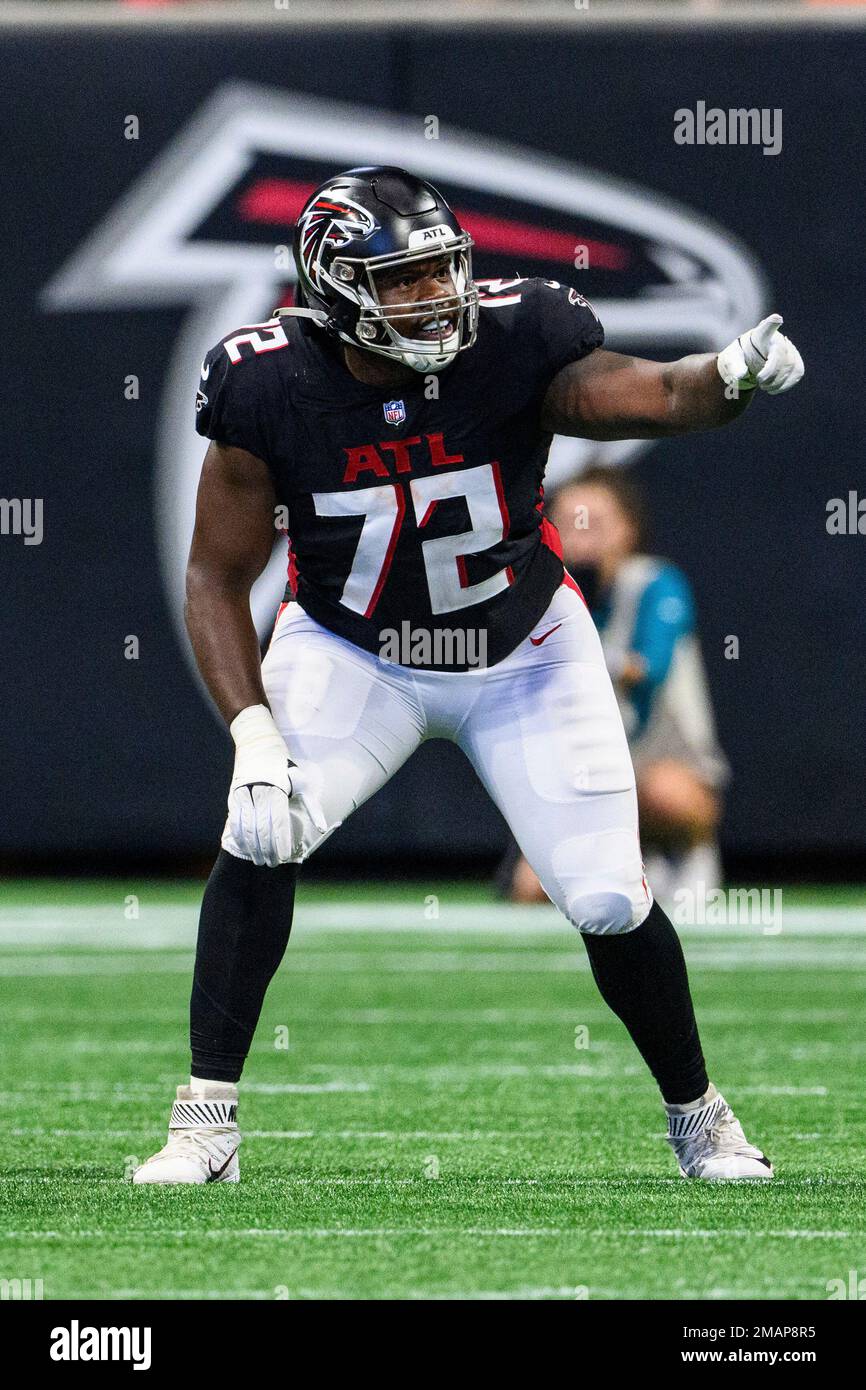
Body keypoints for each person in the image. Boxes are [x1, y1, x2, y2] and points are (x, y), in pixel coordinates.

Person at [132, 166, 803, 1186]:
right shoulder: (264, 381)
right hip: (351, 645)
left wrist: (727, 373)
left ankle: (699, 1118)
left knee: (609, 899)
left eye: (444, 268)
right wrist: (253, 735)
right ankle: (204, 1124)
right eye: (402, 279)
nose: (435, 295)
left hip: (523, 648)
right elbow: (215, 577)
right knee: (259, 827)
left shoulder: (512, 339)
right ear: (334, 287)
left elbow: (656, 395)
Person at [504, 468, 728, 907]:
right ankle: (633, 862)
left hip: (659, 761)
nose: (583, 534)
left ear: (629, 530)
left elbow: (647, 668)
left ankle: (688, 854)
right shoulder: (539, 591)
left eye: (597, 523)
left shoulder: (656, 583)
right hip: (582, 778)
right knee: (529, 890)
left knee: (665, 795)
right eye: (569, 522)